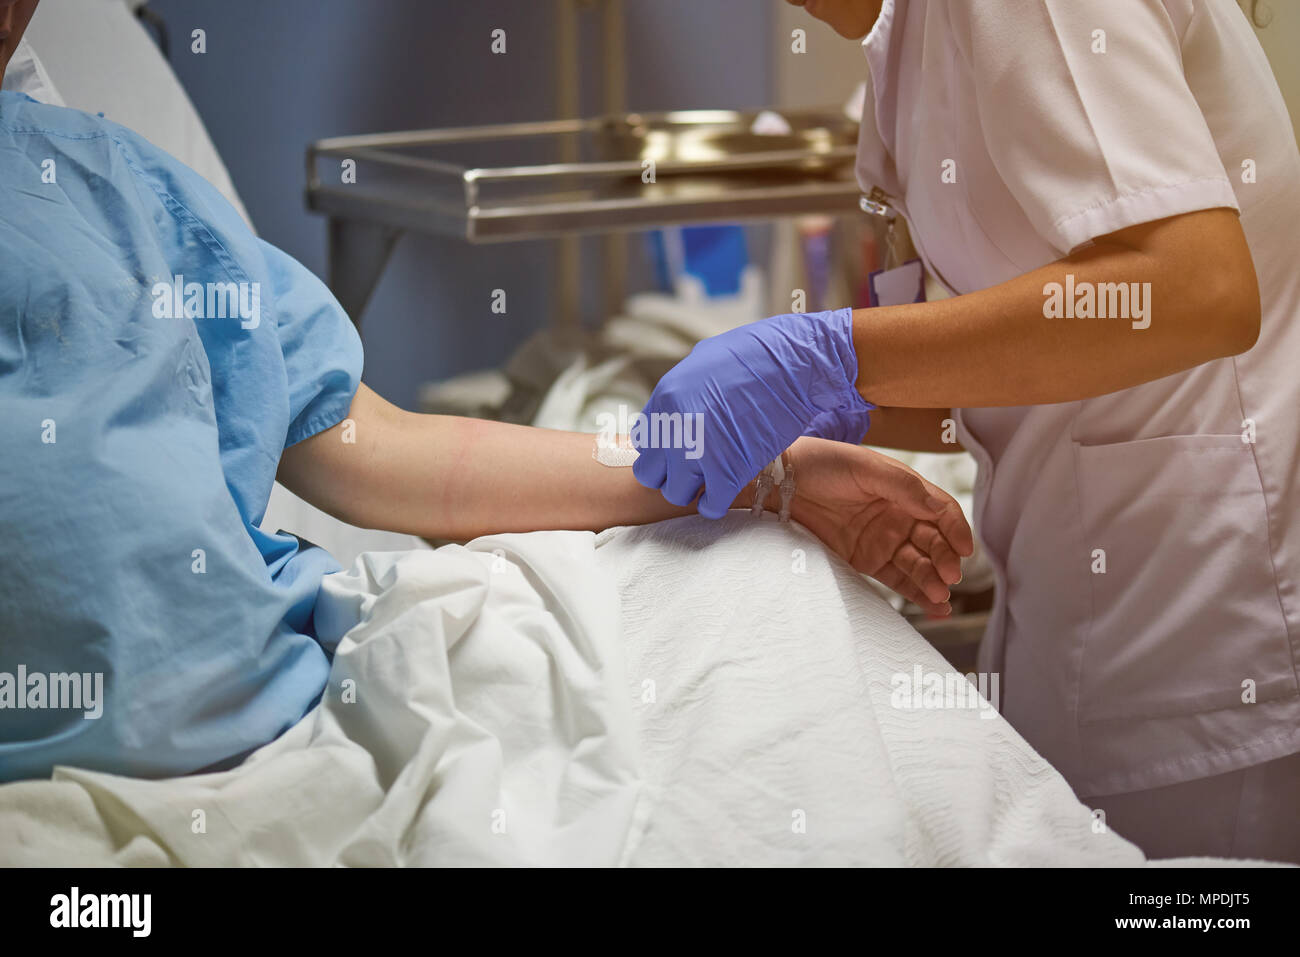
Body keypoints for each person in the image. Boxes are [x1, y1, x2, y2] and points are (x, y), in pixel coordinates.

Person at [0, 0, 971, 783]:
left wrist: (773, 477)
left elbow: (386, 451)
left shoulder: (120, 188)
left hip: (281, 716)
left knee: (765, 594)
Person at [636, 0, 1300, 862]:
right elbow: (1037, 350)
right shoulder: (910, 41)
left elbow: (1195, 290)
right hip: (1080, 617)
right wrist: (826, 413)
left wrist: (831, 359)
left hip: (1201, 635)